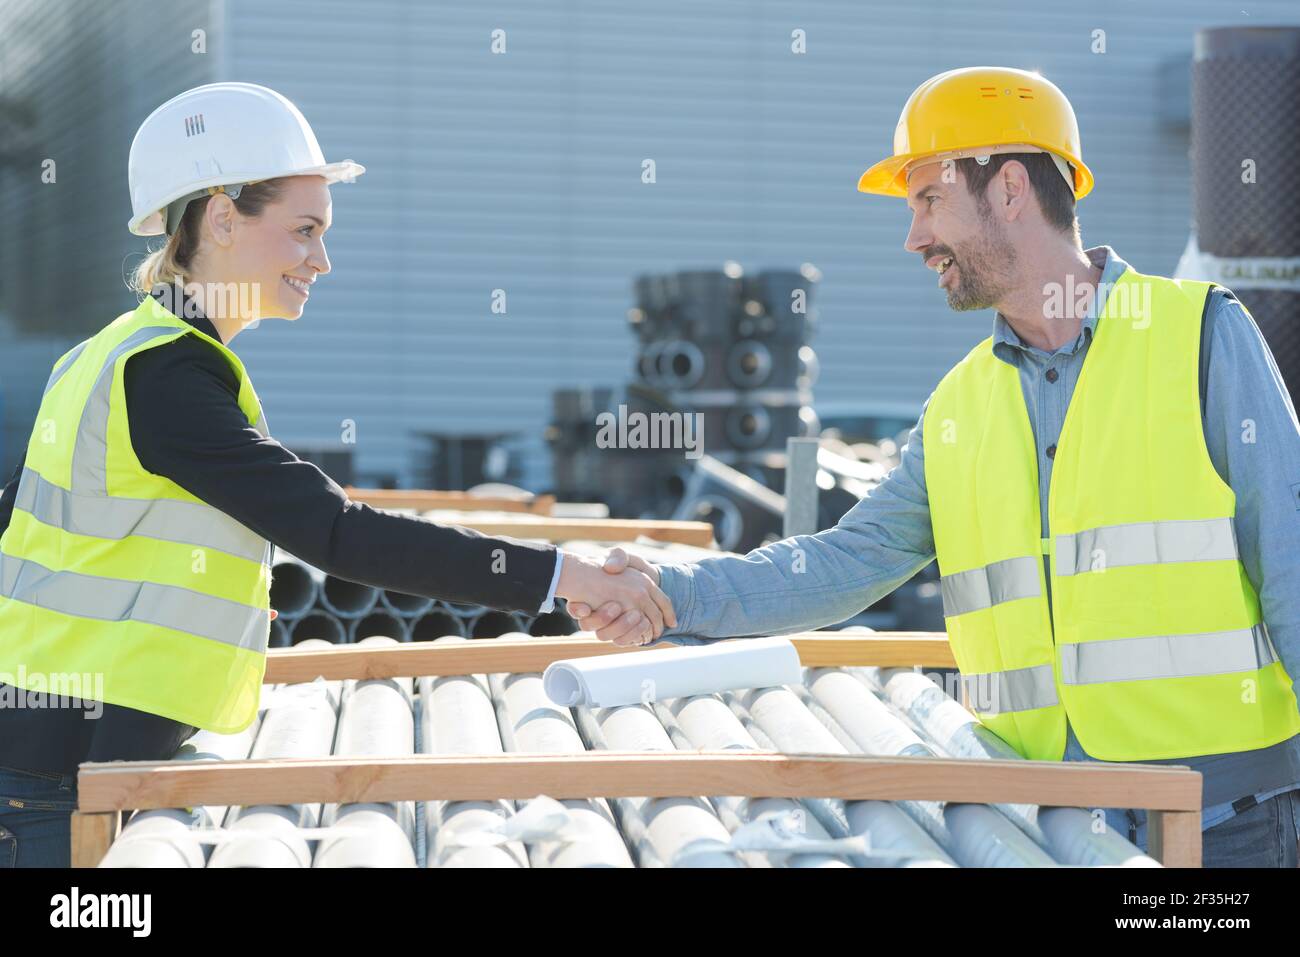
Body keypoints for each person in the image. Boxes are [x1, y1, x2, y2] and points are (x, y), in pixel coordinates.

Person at [570, 66, 1300, 867]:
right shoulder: (958, 406)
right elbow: (843, 562)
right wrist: (670, 596)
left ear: (1011, 188)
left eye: (928, 200)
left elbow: (1293, 565)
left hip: (1229, 824)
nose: (914, 238)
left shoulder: (1199, 337)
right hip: (1048, 829)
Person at [0, 82, 672, 868]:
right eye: (303, 230)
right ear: (221, 218)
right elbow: (336, 533)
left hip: (58, 761)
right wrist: (567, 577)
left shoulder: (118, 353)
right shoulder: (168, 378)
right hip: (57, 791)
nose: (321, 259)